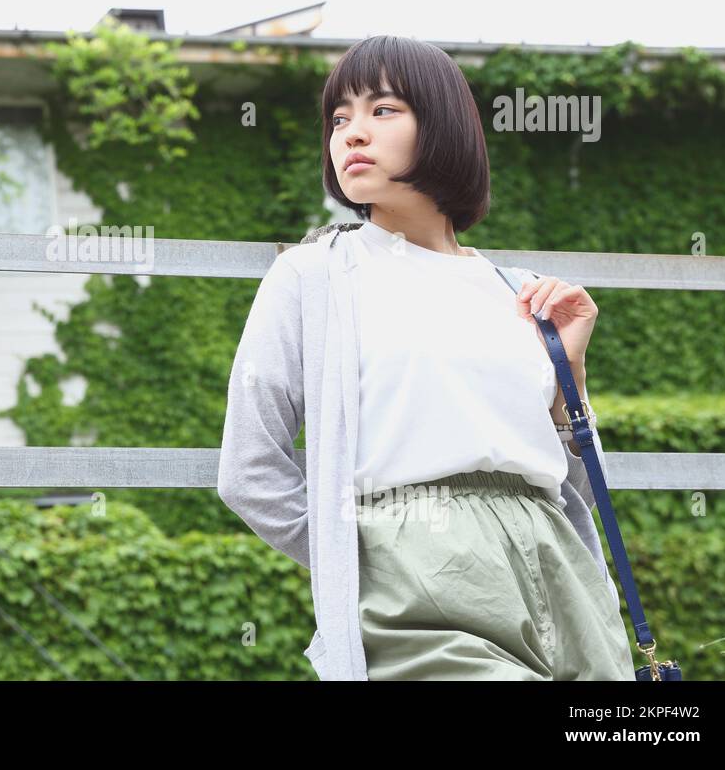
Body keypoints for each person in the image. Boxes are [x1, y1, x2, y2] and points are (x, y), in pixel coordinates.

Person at [218, 34, 635, 680]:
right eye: (339, 118)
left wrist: (568, 382)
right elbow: (248, 469)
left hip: (559, 573)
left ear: (442, 126)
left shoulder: (518, 290)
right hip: (421, 579)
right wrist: (358, 555)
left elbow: (574, 491)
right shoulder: (315, 277)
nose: (352, 133)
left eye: (382, 110)